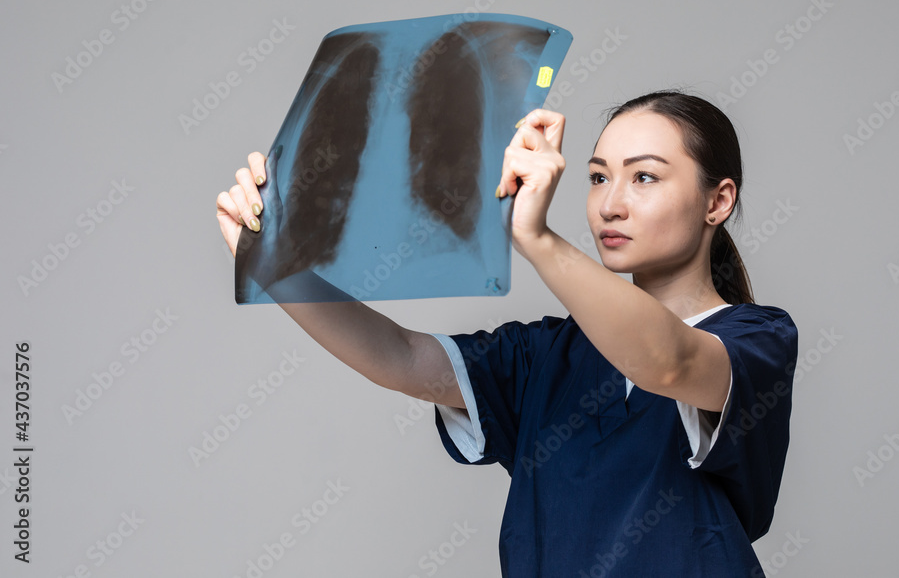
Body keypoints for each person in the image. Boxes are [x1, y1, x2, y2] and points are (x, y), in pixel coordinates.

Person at [216, 89, 798, 577]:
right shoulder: (545, 355)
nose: (610, 204)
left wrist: (537, 239)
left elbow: (667, 361)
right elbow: (401, 356)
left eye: (644, 176)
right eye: (598, 177)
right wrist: (272, 265)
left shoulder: (758, 341)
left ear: (718, 201)